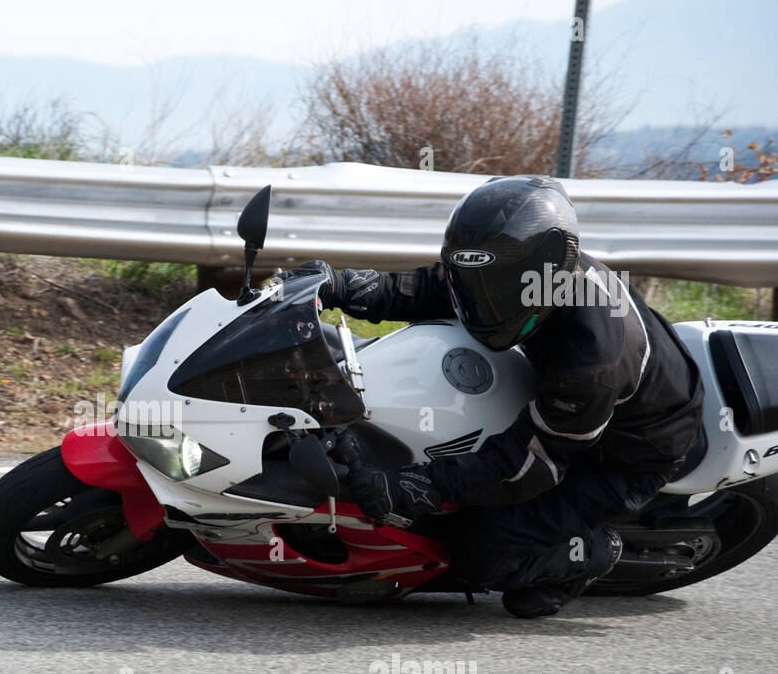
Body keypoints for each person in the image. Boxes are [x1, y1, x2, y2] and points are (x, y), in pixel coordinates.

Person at [296, 175, 704, 617]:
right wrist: (341, 285)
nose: (479, 300)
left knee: (480, 550)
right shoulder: (526, 278)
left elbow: (528, 467)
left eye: (493, 287)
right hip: (559, 406)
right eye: (473, 282)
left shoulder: (592, 362)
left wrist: (419, 485)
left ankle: (593, 552)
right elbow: (438, 287)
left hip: (624, 454)